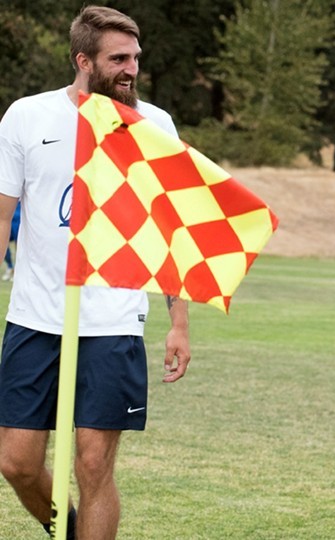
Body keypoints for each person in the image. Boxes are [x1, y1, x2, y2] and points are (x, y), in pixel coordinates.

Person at [0, 6, 191, 539]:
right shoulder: (26, 116)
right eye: (118, 59)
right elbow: (1, 217)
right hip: (36, 318)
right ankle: (73, 531)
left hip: (114, 321)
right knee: (15, 461)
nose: (131, 68)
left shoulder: (155, 125)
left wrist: (179, 320)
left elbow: (171, 229)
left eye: (135, 57)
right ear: (83, 60)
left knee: (92, 464)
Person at [2, 201, 19, 281]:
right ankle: (10, 266)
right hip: (6, 211)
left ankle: (17, 269)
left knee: (19, 245)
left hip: (19, 214)